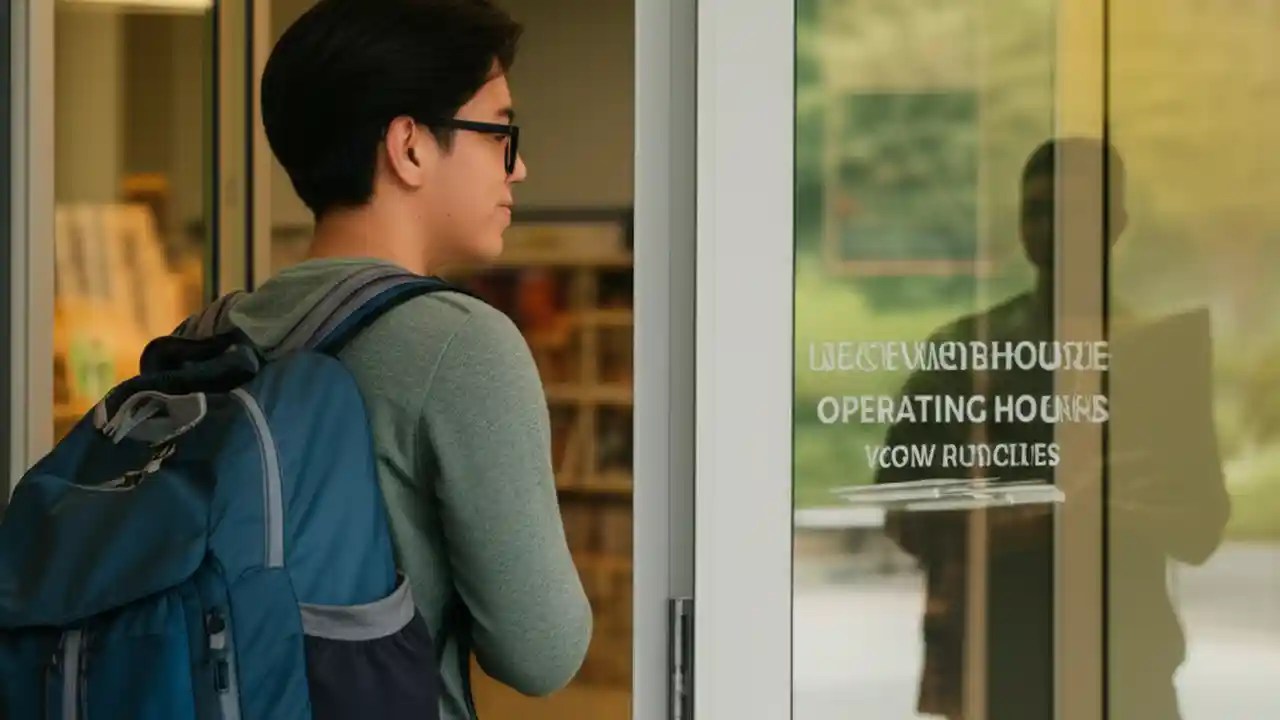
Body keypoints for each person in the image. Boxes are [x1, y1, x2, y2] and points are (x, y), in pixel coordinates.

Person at [229, 1, 592, 717]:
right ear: (411, 146)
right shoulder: (462, 345)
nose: (521, 169)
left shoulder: (213, 333)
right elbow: (542, 652)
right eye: (500, 134)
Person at [874, 137, 1229, 719]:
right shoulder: (968, 352)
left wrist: (1118, 512)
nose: (1052, 228)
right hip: (1000, 658)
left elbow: (1203, 528)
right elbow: (906, 517)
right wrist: (1056, 516)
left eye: (1073, 211)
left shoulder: (1156, 358)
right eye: (1037, 210)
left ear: (1116, 222)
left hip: (1126, 661)